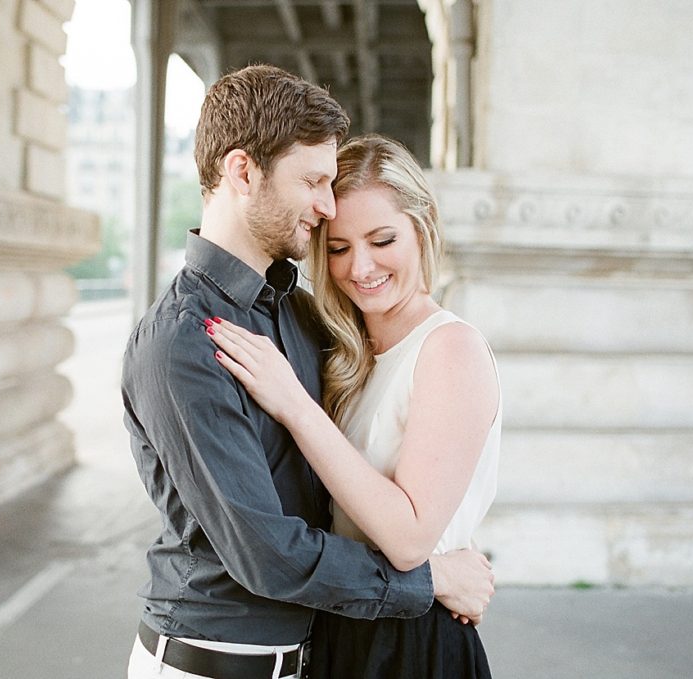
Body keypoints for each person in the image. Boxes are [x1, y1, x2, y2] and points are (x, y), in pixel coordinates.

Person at [122, 65, 494, 679]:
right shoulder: (184, 342)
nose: (327, 207)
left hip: (312, 656)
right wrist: (426, 581)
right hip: (211, 663)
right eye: (313, 181)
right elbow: (266, 554)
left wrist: (444, 531)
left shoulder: (301, 313)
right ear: (243, 171)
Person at [206, 134, 501, 678]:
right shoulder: (345, 351)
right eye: (338, 248)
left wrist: (295, 405)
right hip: (341, 623)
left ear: (422, 228)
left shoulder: (449, 349)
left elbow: (410, 539)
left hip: (410, 639)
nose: (360, 267)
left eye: (382, 239)